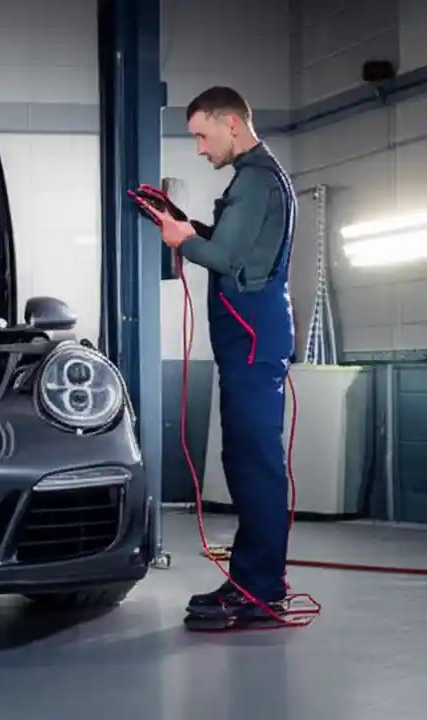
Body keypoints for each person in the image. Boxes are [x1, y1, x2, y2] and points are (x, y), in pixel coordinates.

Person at [133, 86, 298, 629]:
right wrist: (182, 222)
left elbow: (225, 258)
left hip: (251, 337)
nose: (200, 148)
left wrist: (182, 240)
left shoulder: (254, 180)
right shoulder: (258, 178)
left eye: (202, 135)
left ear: (232, 123)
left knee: (255, 464)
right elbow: (231, 243)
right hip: (252, 337)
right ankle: (255, 581)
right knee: (249, 461)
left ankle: (260, 589)